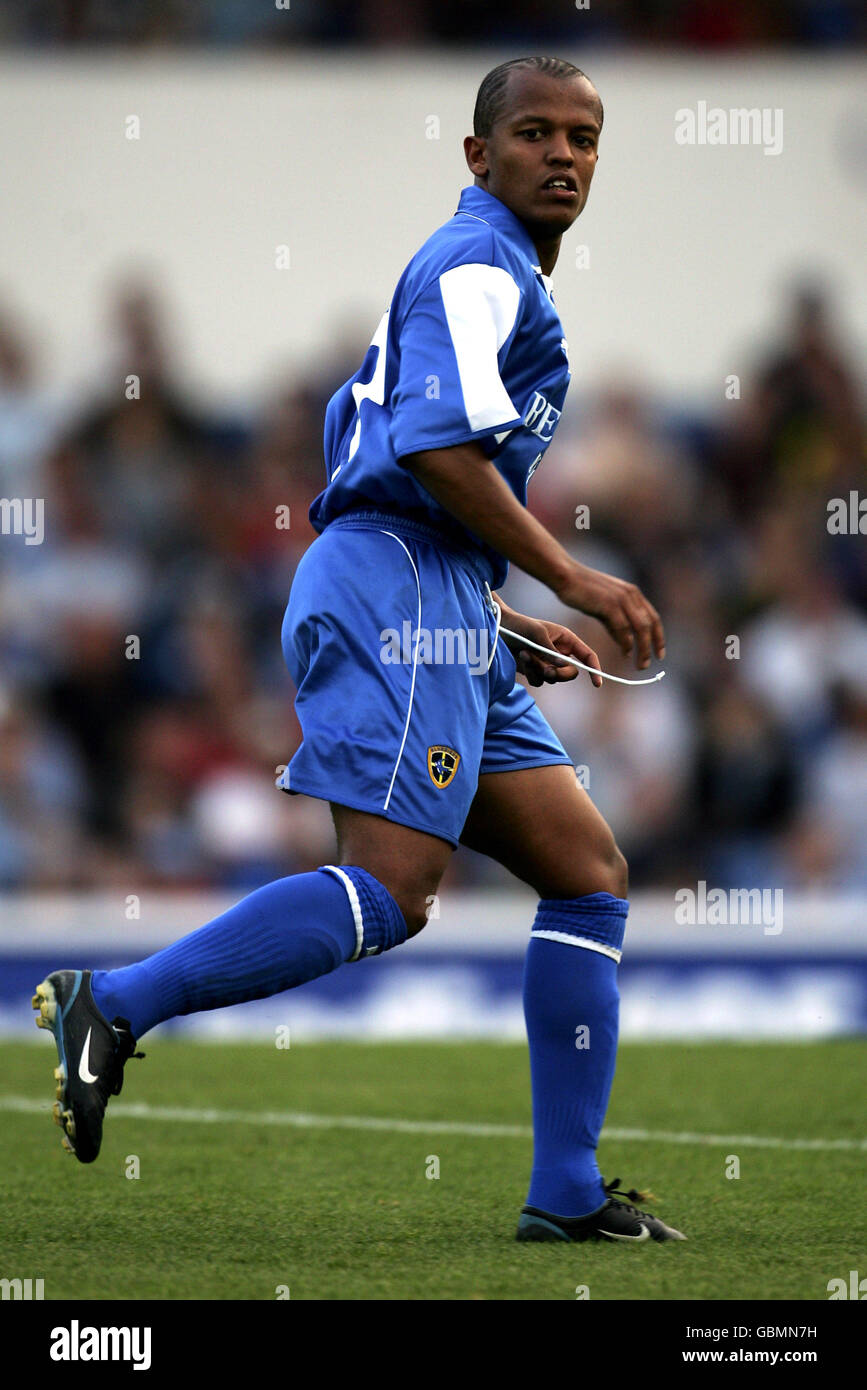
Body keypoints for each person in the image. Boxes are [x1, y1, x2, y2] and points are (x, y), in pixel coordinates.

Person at [33, 55, 684, 1244]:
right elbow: (430, 457)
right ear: (479, 155)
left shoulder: (488, 281)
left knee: (588, 872)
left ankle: (567, 1193)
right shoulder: (475, 263)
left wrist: (493, 614)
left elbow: (379, 451)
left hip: (429, 588)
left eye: (584, 138)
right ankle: (109, 1005)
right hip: (389, 581)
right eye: (534, 133)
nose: (564, 156)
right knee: (393, 889)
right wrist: (574, 576)